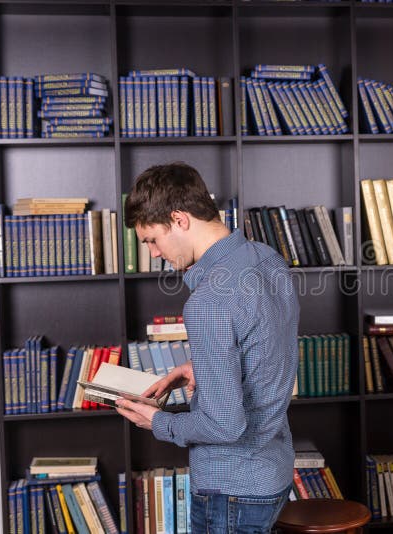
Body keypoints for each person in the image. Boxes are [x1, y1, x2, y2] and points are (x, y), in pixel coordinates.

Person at [116, 162, 299, 534]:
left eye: (152, 239)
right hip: (273, 471)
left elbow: (224, 425)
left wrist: (157, 422)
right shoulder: (268, 259)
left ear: (180, 219)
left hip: (232, 490)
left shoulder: (209, 300)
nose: (153, 253)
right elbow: (268, 351)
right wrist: (202, 367)